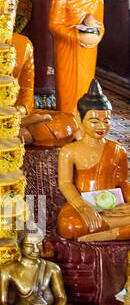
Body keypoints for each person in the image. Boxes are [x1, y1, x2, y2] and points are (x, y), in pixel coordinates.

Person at [57, 81, 130, 241]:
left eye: (106, 121)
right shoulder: (69, 151)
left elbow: (123, 181)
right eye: (94, 121)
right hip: (83, 202)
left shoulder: (118, 149)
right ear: (80, 118)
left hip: (113, 203)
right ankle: (119, 230)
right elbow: (65, 184)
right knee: (69, 226)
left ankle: (108, 234)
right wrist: (83, 206)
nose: (101, 126)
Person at [48, 0, 104, 117]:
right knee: (67, 84)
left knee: (86, 82)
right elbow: (53, 25)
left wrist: (98, 35)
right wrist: (75, 36)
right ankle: (67, 116)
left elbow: (100, 25)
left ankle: (83, 118)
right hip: (67, 48)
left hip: (88, 49)